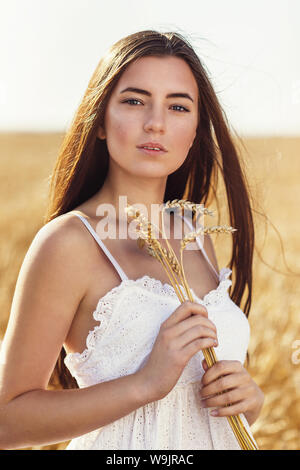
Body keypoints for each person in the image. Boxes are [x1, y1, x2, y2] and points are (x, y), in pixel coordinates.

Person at [0, 30, 264, 450]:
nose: (155, 122)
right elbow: (7, 422)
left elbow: (194, 411)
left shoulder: (196, 235)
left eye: (178, 106)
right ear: (100, 120)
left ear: (196, 129)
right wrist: (143, 384)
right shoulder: (68, 244)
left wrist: (249, 401)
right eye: (134, 100)